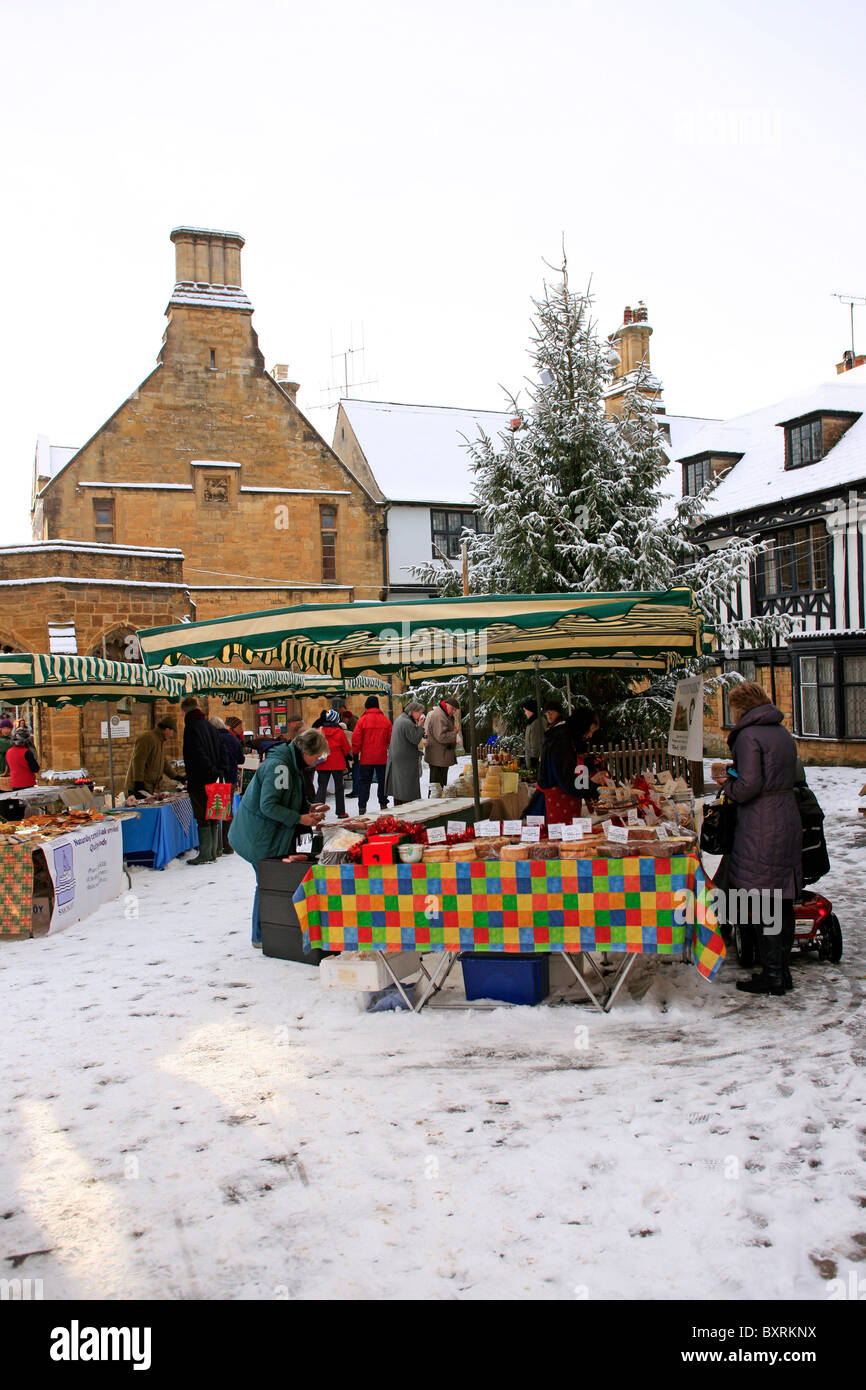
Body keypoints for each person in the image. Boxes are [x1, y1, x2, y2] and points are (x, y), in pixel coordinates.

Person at [712, 682, 803, 996]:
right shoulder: (781, 732)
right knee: (783, 899)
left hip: (761, 823)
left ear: (740, 707)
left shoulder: (749, 735)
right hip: (786, 816)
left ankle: (774, 975)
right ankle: (782, 971)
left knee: (764, 900)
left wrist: (727, 785)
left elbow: (750, 785)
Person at [229, 727, 330, 948]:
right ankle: (260, 936)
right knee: (267, 883)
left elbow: (287, 798)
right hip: (257, 836)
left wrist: (307, 808)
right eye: (316, 756)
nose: (317, 761)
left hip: (265, 835)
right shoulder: (280, 767)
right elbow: (269, 806)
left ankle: (265, 933)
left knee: (267, 882)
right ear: (305, 752)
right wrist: (300, 819)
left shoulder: (289, 763)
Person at [181, 696, 224, 866]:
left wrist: (210, 770)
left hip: (199, 779)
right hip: (213, 778)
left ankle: (206, 852)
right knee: (213, 815)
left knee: (203, 816)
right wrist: (218, 770)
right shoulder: (210, 726)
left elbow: (197, 753)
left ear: (185, 711)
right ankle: (212, 851)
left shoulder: (191, 727)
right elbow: (221, 750)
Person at [535, 699, 585, 824]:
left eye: (552, 712)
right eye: (547, 713)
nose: (549, 715)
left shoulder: (560, 733)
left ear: (559, 713)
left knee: (561, 826)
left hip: (559, 787)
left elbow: (562, 764)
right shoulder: (554, 731)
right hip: (555, 787)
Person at [211, 715, 246, 855]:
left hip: (218, 778)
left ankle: (218, 847)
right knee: (227, 811)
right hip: (230, 778)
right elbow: (241, 759)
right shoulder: (232, 739)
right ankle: (228, 844)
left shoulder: (214, 740)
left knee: (218, 811)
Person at [124, 718, 185, 797]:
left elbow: (164, 763)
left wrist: (177, 777)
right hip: (139, 787)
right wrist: (138, 781)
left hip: (149, 787)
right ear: (167, 729)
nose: (172, 735)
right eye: (172, 732)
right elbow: (138, 760)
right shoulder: (147, 738)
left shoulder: (160, 741)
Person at [351, 696, 392, 814]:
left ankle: (362, 806)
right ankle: (383, 803)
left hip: (366, 758)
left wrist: (355, 753)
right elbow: (391, 739)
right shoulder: (385, 720)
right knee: (382, 781)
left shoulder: (362, 721)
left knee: (364, 782)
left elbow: (355, 739)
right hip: (381, 757)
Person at [384, 701, 426, 805]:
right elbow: (415, 739)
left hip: (399, 759)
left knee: (399, 788)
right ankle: (407, 811)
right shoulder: (406, 722)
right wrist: (420, 726)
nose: (421, 715)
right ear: (412, 712)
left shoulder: (401, 719)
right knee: (406, 790)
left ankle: (399, 808)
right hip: (405, 762)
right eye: (420, 712)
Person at [316, 709, 352, 818]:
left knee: (322, 787)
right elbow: (346, 748)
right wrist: (348, 756)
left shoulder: (319, 731)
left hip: (323, 761)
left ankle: (318, 812)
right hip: (337, 762)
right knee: (339, 788)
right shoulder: (340, 732)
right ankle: (341, 812)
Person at [424, 696, 461, 791]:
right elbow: (441, 736)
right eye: (452, 709)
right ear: (446, 705)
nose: (453, 712)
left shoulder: (444, 713)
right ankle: (433, 804)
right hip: (437, 757)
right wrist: (454, 733)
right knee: (436, 788)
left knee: (440, 786)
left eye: (455, 710)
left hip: (441, 756)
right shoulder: (439, 715)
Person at [522, 699, 544, 777]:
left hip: (536, 762)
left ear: (531, 711)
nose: (525, 713)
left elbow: (538, 743)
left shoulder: (537, 723)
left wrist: (533, 761)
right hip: (532, 760)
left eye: (526, 710)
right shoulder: (532, 722)